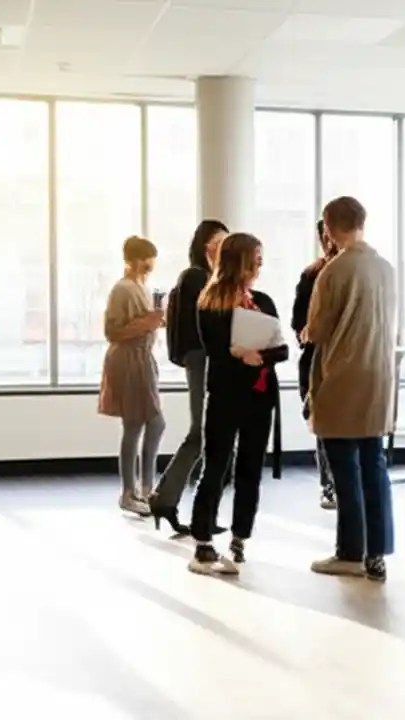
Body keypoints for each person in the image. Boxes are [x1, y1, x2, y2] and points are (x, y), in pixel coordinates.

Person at [306, 196, 398, 583]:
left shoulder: (334, 270)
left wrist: (306, 332)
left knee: (344, 468)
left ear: (328, 227)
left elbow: (318, 329)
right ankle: (376, 554)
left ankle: (350, 551)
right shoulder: (386, 268)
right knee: (374, 466)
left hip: (343, 377)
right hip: (378, 376)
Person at [188, 233, 288, 575]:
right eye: (255, 259)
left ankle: (240, 538)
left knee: (250, 469)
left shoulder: (263, 300)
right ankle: (202, 541)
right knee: (216, 466)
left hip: (260, 396)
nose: (259, 266)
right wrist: (240, 356)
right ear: (238, 260)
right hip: (225, 395)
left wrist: (256, 356)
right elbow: (216, 351)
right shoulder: (211, 301)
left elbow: (283, 349)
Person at [98, 236, 178, 531]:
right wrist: (149, 322)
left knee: (142, 424)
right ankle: (133, 490)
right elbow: (113, 331)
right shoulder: (122, 289)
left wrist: (158, 320)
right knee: (143, 423)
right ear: (133, 259)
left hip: (143, 357)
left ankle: (142, 488)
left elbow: (147, 323)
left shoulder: (142, 288)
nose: (150, 265)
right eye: (146, 259)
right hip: (129, 359)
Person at [156, 219, 228, 525]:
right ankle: (169, 500)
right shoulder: (197, 277)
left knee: (205, 433)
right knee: (202, 432)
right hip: (202, 359)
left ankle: (168, 499)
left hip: (204, 359)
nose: (224, 248)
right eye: (219, 242)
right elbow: (209, 320)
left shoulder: (202, 277)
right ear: (205, 246)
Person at [292, 219, 338, 509]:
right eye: (323, 236)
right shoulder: (311, 274)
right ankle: (329, 485)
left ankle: (339, 484)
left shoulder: (355, 273)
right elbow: (298, 323)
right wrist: (308, 332)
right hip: (314, 361)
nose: (327, 241)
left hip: (343, 362)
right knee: (321, 425)